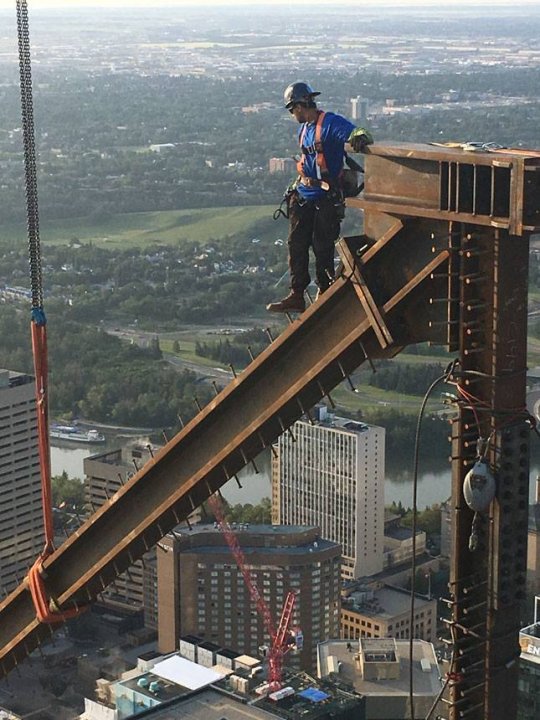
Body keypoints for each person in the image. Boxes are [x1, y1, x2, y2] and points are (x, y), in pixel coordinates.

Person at [267, 81, 373, 313]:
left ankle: (324, 290)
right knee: (297, 244)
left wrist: (360, 137)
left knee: (322, 245)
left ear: (300, 105)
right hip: (304, 192)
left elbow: (354, 131)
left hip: (325, 195)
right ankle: (297, 294)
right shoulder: (303, 129)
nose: (292, 114)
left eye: (292, 109)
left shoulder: (330, 124)